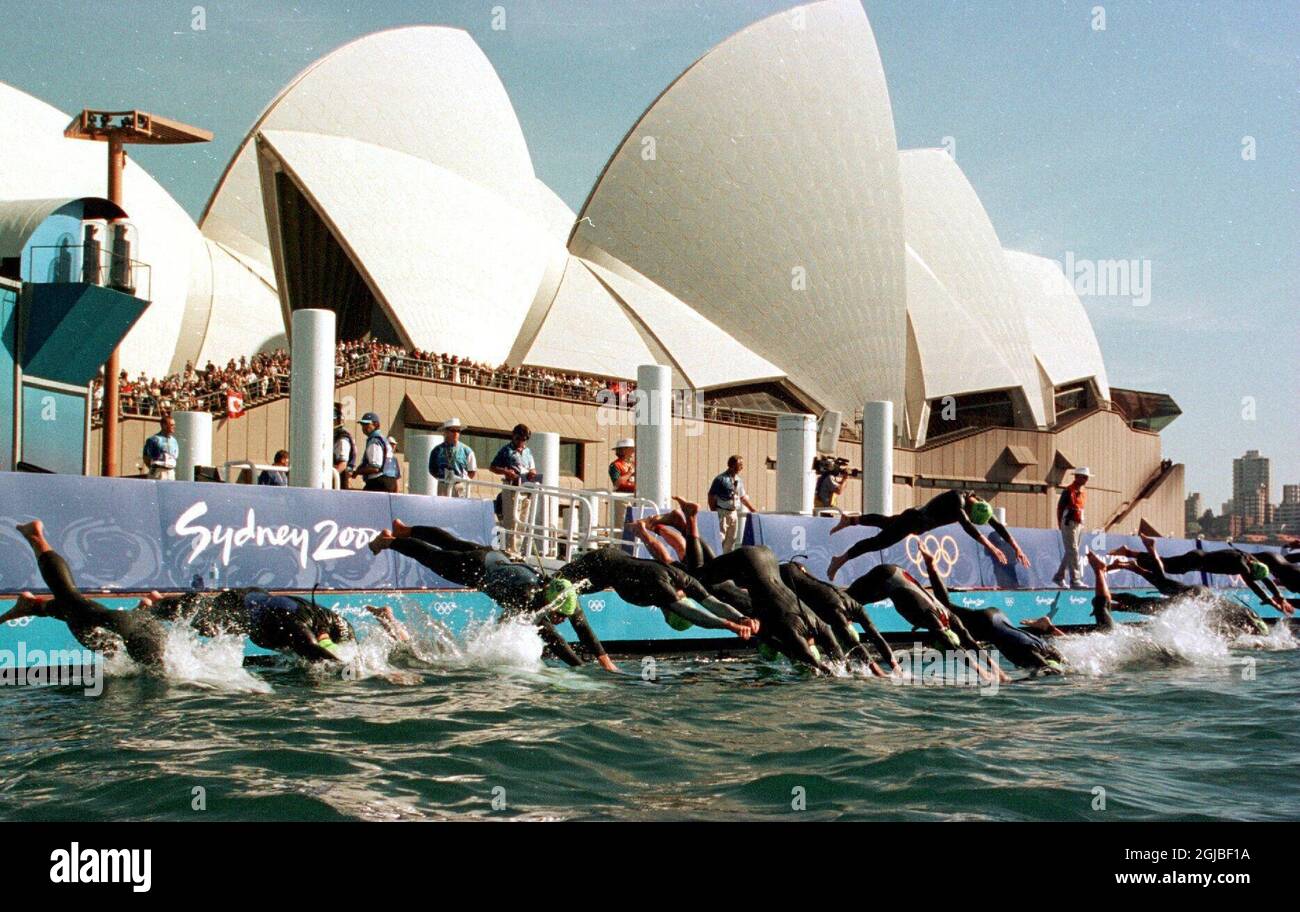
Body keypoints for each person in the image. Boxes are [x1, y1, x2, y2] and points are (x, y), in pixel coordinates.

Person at [370, 521, 618, 671]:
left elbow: (582, 626)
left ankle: (405, 529)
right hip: (477, 568)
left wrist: (604, 661)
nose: (562, 620)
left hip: (494, 556)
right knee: (432, 557)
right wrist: (580, 668)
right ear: (548, 604)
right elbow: (555, 640)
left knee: (451, 542)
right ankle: (389, 542)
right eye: (559, 615)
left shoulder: (560, 590)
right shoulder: (529, 599)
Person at [629, 499, 844, 671]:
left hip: (733, 584)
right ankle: (673, 524)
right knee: (685, 568)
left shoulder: (804, 623)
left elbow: (828, 639)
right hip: (720, 593)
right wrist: (826, 672)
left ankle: (679, 523)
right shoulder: (779, 634)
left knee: (693, 560)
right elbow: (796, 652)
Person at [2, 520, 167, 665]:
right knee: (70, 601)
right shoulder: (167, 669)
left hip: (140, 626)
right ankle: (35, 537)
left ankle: (34, 606)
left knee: (88, 628)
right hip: (129, 626)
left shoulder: (178, 661)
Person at [915, 539, 1061, 674]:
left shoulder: (1044, 648)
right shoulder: (1031, 654)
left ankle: (1047, 627)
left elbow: (1061, 659)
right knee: (946, 606)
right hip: (988, 625)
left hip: (999, 618)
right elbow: (1047, 669)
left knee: (951, 617)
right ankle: (931, 566)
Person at [842, 559, 999, 683]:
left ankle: (841, 640)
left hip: (895, 576)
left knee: (848, 608)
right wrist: (982, 672)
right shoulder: (932, 619)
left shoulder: (949, 616)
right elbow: (955, 646)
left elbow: (968, 640)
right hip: (884, 577)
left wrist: (997, 670)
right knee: (843, 606)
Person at [827, 488, 1030, 580]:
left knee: (885, 522)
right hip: (912, 521)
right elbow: (970, 529)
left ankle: (851, 520)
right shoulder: (956, 502)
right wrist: (993, 548)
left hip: (915, 519)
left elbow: (998, 527)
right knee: (878, 542)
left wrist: (1017, 548)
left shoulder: (980, 505)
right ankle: (840, 559)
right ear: (969, 510)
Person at [145, 587, 353, 664]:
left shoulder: (335, 624)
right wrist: (346, 669)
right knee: (205, 620)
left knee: (210, 624)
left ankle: (160, 600)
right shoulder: (295, 626)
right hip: (243, 603)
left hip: (262, 606)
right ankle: (155, 604)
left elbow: (351, 649)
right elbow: (311, 649)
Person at [1108, 538, 1289, 614]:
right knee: (1165, 569)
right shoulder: (1243, 566)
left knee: (1165, 565)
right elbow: (1255, 585)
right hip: (1195, 561)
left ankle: (1130, 556)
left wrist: (1277, 597)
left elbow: (1262, 579)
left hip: (1197, 558)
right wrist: (1271, 600)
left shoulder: (1248, 560)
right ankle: (1141, 550)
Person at [490, 424, 539, 551]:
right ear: (514, 436)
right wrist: (506, 472)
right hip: (512, 488)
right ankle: (509, 549)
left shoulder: (527, 451)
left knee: (522, 521)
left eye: (524, 439)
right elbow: (493, 466)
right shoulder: (506, 450)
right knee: (511, 521)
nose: (521, 442)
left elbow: (532, 467)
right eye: (519, 439)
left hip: (526, 489)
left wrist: (532, 473)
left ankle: (516, 549)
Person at [708, 456, 757, 552]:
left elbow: (742, 497)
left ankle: (727, 562)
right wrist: (714, 512)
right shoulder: (720, 479)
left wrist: (752, 509)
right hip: (722, 512)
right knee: (720, 537)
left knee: (731, 540)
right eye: (740, 465)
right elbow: (711, 495)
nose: (741, 467)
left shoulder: (739, 480)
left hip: (733, 513)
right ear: (732, 465)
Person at [1052, 467, 1090, 588]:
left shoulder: (1083, 492)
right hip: (1069, 523)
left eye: (1087, 477)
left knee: (1072, 551)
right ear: (1077, 477)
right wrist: (1060, 523)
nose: (1086, 479)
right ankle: (1075, 580)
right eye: (1083, 477)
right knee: (1073, 550)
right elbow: (1060, 508)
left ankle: (1059, 576)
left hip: (1079, 523)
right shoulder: (1068, 491)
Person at [429, 418, 477, 497]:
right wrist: (442, 478)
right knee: (443, 507)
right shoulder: (437, 450)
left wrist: (462, 481)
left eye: (458, 431)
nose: (456, 433)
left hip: (460, 485)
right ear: (446, 432)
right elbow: (432, 469)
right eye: (453, 430)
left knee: (460, 508)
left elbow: (472, 470)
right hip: (443, 484)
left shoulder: (467, 451)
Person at [354, 412, 400, 493]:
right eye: (362, 425)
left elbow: (375, 467)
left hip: (378, 482)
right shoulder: (384, 440)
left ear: (375, 424)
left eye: (367, 424)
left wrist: (357, 472)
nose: (363, 427)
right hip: (389, 481)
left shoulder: (374, 441)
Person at [142, 414, 179, 480]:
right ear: (164, 426)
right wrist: (155, 468)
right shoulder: (154, 440)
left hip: (170, 472)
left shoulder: (174, 441)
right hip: (158, 471)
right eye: (171, 425)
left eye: (174, 425)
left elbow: (175, 456)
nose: (174, 427)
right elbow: (146, 457)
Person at [333, 403, 356, 489]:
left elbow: (342, 464)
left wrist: (328, 478)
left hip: (339, 481)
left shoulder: (342, 439)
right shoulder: (335, 437)